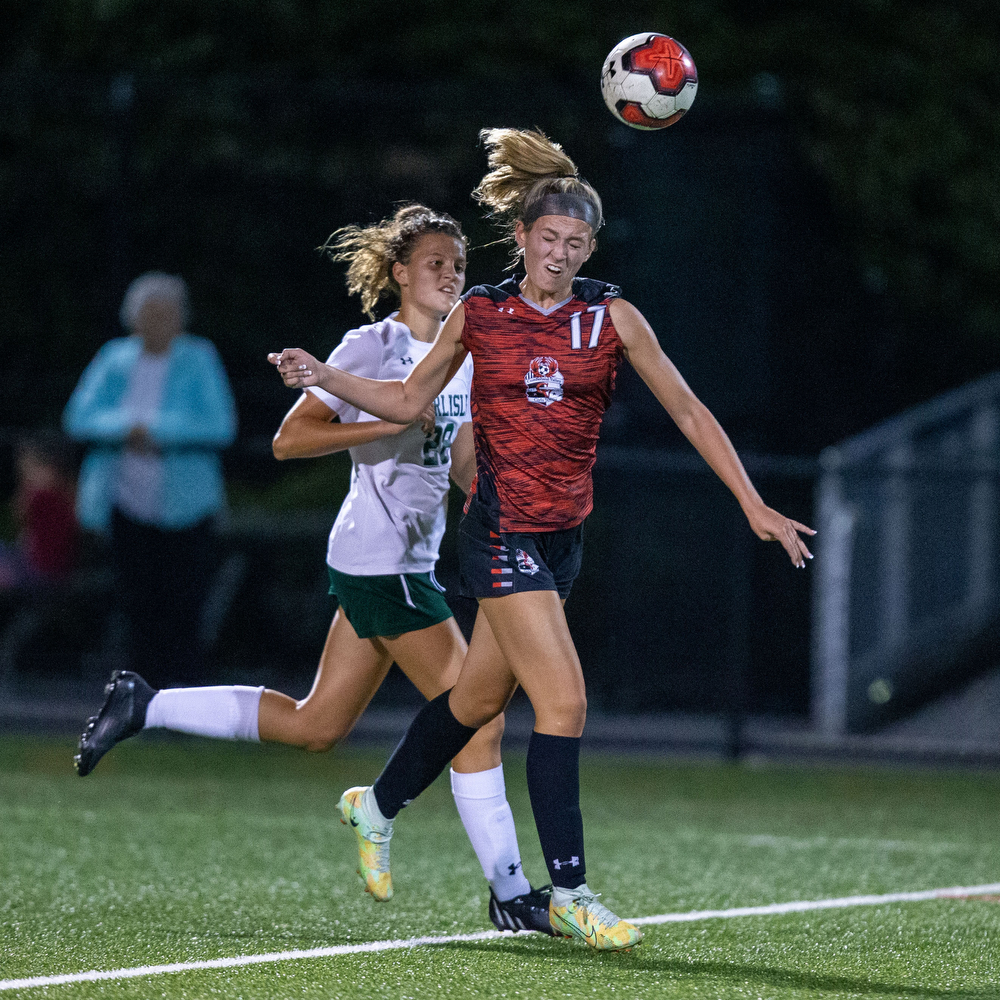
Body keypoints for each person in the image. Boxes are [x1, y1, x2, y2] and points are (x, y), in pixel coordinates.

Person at [270, 129, 816, 952]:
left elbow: (690, 411)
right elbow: (410, 401)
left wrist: (752, 502)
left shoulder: (612, 316)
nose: (560, 254)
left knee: (476, 702)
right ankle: (569, 892)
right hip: (498, 533)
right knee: (564, 703)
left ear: (591, 244)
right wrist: (326, 377)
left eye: (575, 242)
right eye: (547, 239)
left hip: (562, 539)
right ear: (521, 239)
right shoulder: (480, 312)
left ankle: (376, 804)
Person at [73, 206, 555, 937]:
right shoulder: (372, 346)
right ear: (399, 273)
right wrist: (388, 424)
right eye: (435, 263)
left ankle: (146, 703)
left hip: (400, 561)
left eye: (457, 265)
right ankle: (511, 894)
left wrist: (503, 496)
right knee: (476, 716)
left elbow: (456, 459)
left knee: (317, 724)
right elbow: (289, 439)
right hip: (381, 559)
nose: (451, 275)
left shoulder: (461, 356)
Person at [63, 272, 238, 687]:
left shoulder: (199, 357)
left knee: (184, 603)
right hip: (125, 503)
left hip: (188, 507)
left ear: (181, 318)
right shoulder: (114, 358)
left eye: (166, 314)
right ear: (133, 317)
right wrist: (127, 428)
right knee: (136, 604)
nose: (157, 323)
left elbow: (219, 425)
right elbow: (79, 417)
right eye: (149, 314)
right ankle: (137, 695)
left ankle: (187, 695)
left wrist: (157, 431)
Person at [0, 429, 78, 591]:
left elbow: (19, 513)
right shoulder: (70, 491)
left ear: (50, 467)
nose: (27, 477)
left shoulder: (41, 495)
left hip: (40, 572)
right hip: (49, 568)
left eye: (29, 470)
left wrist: (25, 489)